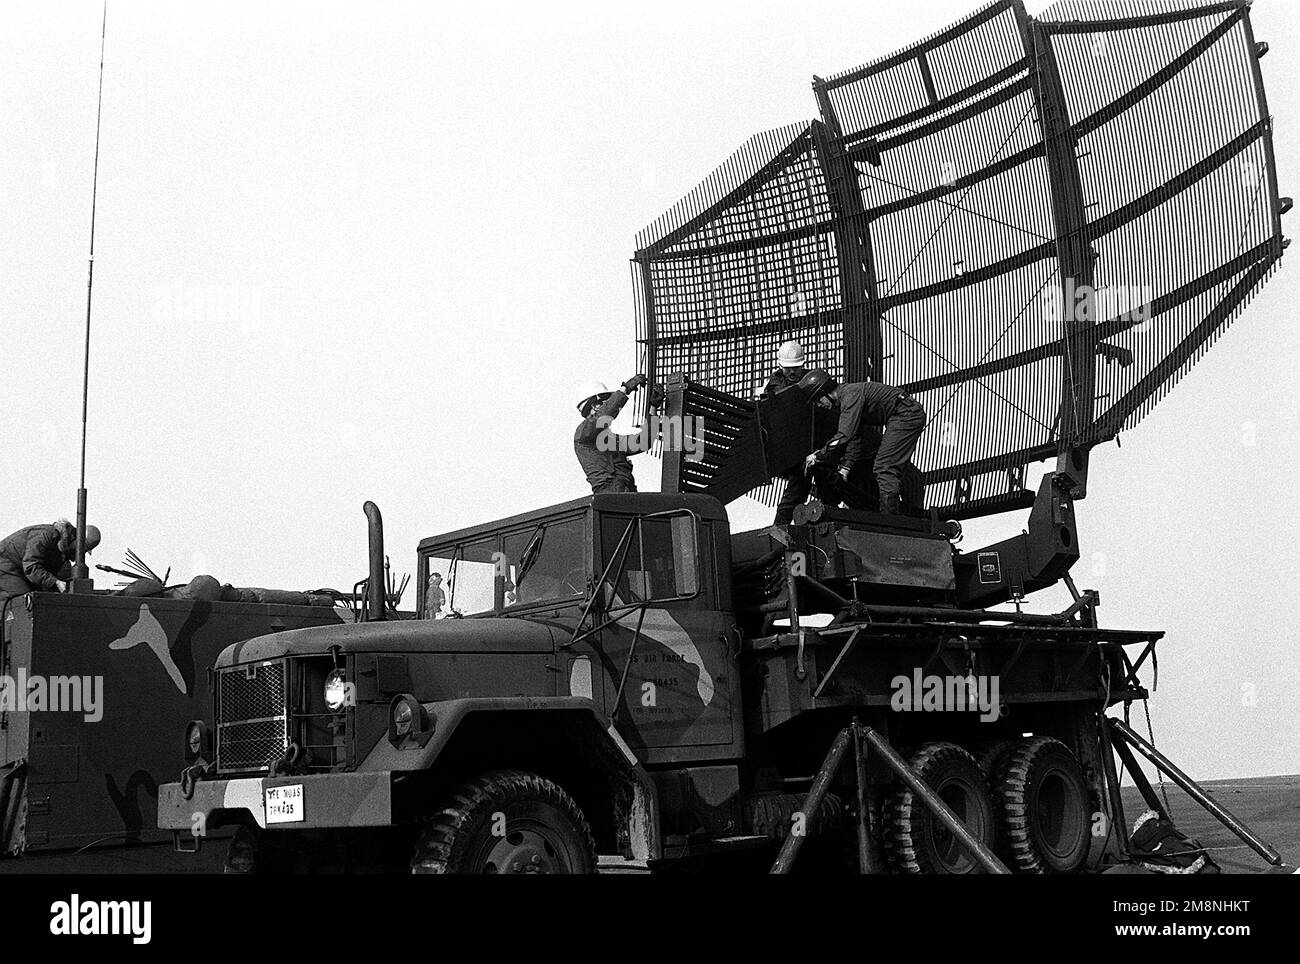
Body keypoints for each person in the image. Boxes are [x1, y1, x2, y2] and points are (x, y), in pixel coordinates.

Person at [800, 370, 926, 514]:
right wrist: (846, 467)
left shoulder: (850, 397)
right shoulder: (846, 398)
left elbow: (844, 435)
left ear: (825, 391)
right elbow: (855, 436)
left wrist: (818, 455)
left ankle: (890, 520)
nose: (819, 405)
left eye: (818, 399)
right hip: (900, 415)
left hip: (906, 415)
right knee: (884, 466)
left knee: (885, 467)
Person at [574, 374, 649, 494]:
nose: (609, 403)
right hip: (609, 491)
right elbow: (605, 414)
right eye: (605, 401)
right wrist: (625, 389)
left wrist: (653, 409)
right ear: (595, 406)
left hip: (627, 491)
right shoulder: (582, 434)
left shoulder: (610, 439)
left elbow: (643, 442)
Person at [0, 520, 101, 604]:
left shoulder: (63, 555)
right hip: (5, 563)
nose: (79, 554)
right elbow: (31, 566)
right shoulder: (44, 536)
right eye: (81, 550)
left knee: (44, 598)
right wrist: (56, 582)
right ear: (74, 540)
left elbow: (63, 581)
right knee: (24, 600)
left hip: (23, 569)